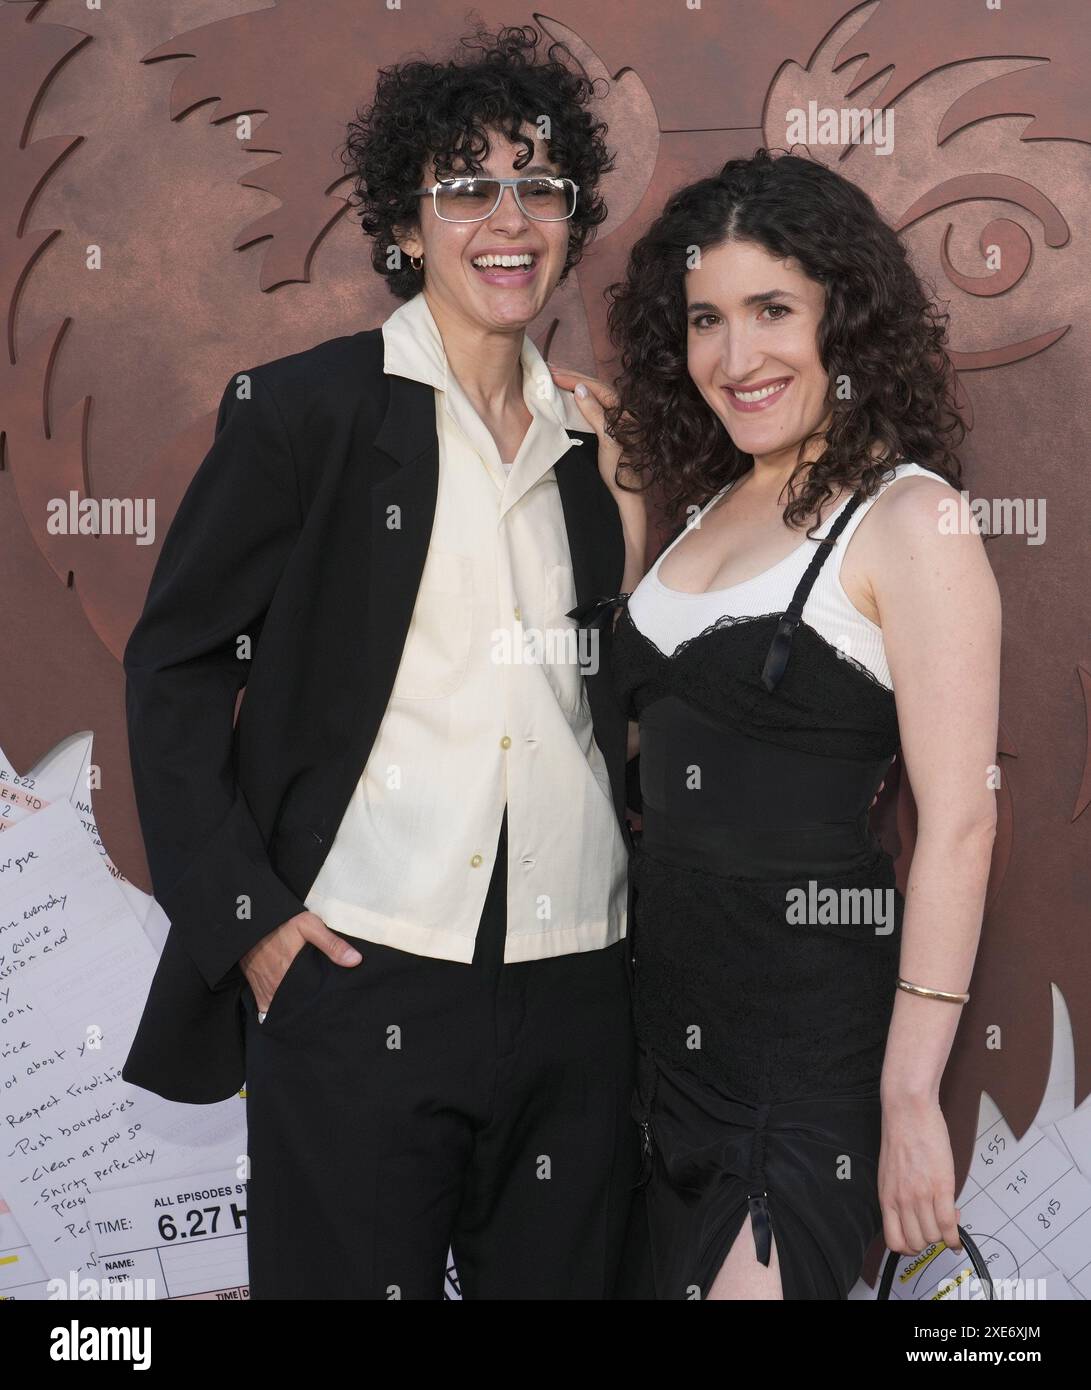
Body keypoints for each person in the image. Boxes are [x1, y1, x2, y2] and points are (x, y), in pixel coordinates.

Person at [121, 23, 652, 1299]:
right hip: (356, 982)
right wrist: (250, 923)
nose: (506, 217)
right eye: (466, 187)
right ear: (406, 227)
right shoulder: (304, 413)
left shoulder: (599, 443)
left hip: (580, 986)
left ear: (573, 222)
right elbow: (177, 665)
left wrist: (628, 503)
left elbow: (616, 702)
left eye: (537, 186)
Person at [557, 148, 1000, 1299]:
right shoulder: (704, 507)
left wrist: (906, 1096)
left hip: (799, 1071)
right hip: (646, 1055)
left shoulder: (911, 520)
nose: (734, 356)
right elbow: (641, 746)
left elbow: (955, 825)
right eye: (706, 318)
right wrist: (615, 516)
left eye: (771, 311)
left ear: (842, 324)